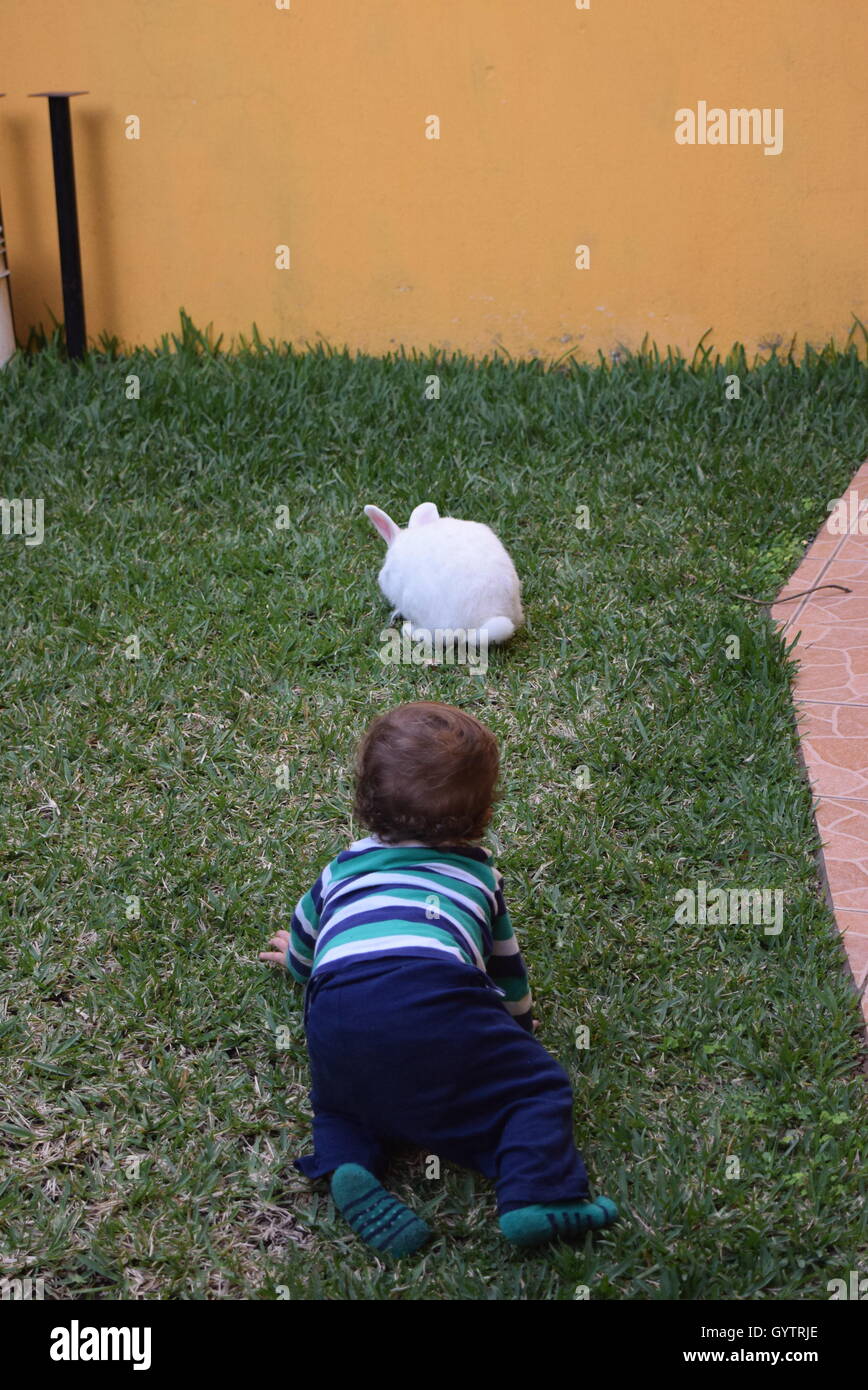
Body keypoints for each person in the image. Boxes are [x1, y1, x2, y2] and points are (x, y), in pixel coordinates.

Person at [261, 700, 618, 1255]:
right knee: (534, 1089)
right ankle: (538, 1195)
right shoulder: (478, 874)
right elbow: (506, 972)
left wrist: (294, 964)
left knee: (343, 1104)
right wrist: (517, 1031)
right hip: (432, 996)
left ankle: (348, 1165)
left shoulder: (341, 870)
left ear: (364, 800)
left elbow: (305, 948)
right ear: (483, 812)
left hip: (335, 1015)